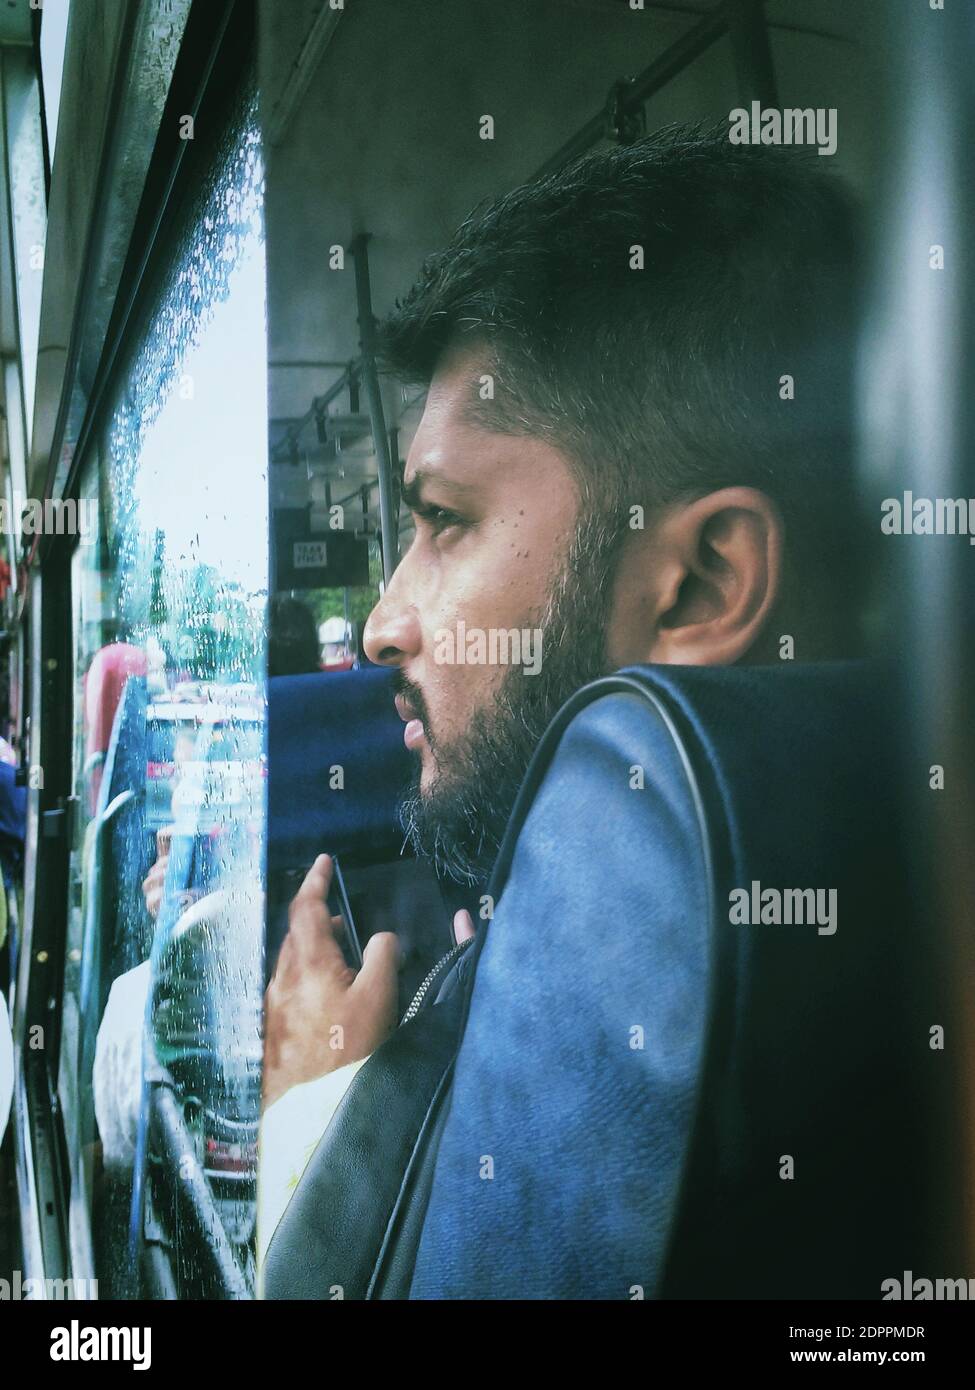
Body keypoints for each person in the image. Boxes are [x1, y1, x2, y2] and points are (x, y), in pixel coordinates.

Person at [262, 126, 869, 1275]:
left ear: (702, 584)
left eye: (444, 520)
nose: (383, 624)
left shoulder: (590, 1036)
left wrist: (314, 1118)